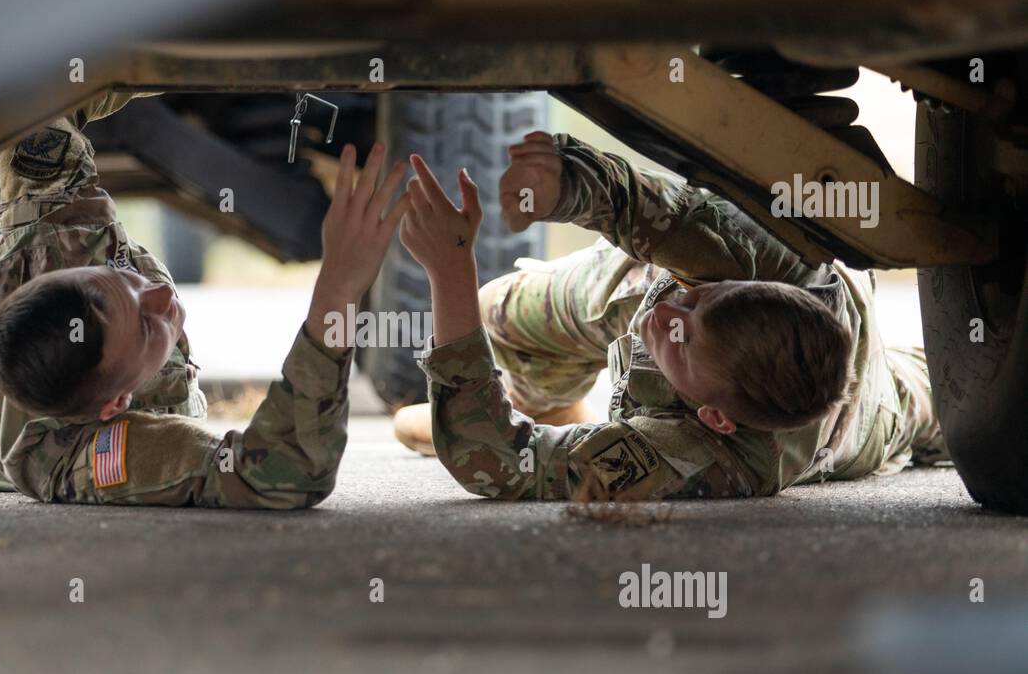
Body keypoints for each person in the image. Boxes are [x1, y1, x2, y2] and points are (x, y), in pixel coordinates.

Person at [0, 92, 408, 507]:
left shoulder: (58, 236)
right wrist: (338, 290)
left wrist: (171, 65)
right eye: (147, 327)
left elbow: (37, 96)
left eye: (122, 281)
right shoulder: (87, 455)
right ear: (115, 406)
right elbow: (283, 474)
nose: (161, 293)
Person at [393, 131, 946, 500]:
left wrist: (449, 273)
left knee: (952, 412)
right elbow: (659, 213)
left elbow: (496, 464)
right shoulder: (771, 264)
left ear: (715, 419)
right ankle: (545, 399)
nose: (664, 318)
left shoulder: (707, 459)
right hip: (770, 299)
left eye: (682, 341)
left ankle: (525, 416)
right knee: (500, 314)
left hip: (874, 413)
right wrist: (562, 182)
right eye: (697, 303)